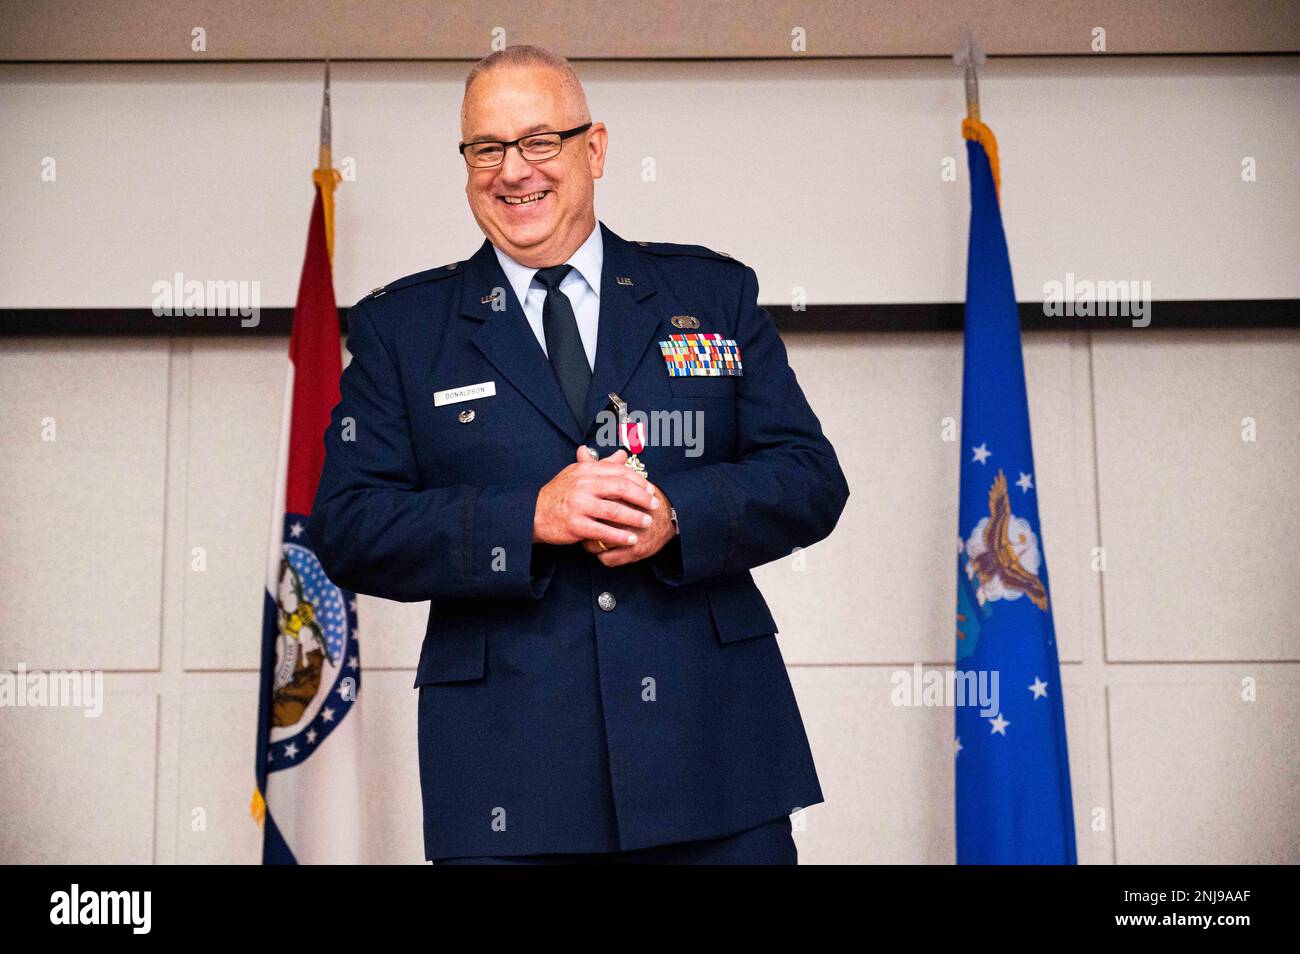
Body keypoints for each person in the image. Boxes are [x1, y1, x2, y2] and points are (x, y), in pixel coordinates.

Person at [308, 44, 849, 864]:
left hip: (714, 767)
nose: (512, 171)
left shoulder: (709, 295)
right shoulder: (403, 330)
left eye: (538, 141)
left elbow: (809, 478)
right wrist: (524, 516)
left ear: (592, 148)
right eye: (485, 148)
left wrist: (677, 516)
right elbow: (348, 525)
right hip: (506, 782)